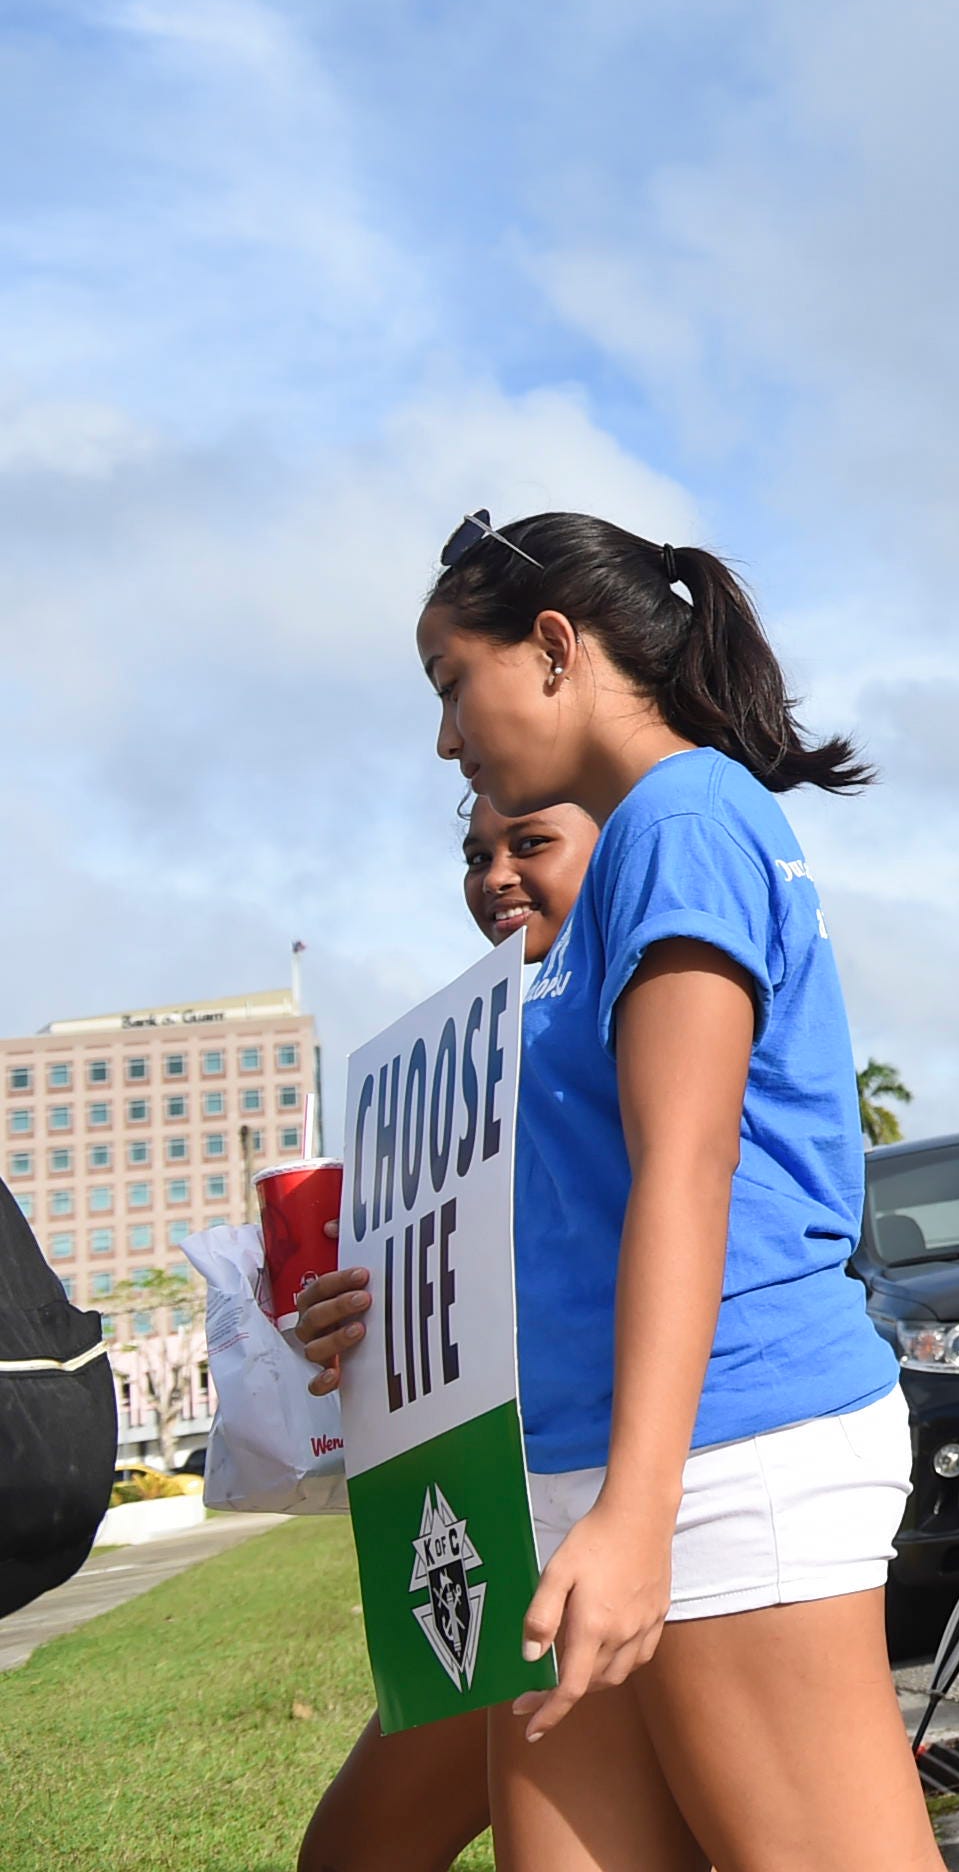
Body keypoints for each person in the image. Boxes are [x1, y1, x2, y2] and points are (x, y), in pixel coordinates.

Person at [389, 510, 927, 1866]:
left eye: (454, 683)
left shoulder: (686, 820)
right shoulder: (630, 848)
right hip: (575, 1469)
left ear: (555, 650)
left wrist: (639, 1515)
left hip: (722, 1455)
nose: (448, 736)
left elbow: (689, 1171)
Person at [298, 791, 609, 1872]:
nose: (495, 874)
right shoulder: (456, 1080)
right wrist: (349, 1317)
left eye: (531, 843)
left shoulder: (648, 1014)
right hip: (489, 1522)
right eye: (478, 852)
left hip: (619, 1508)